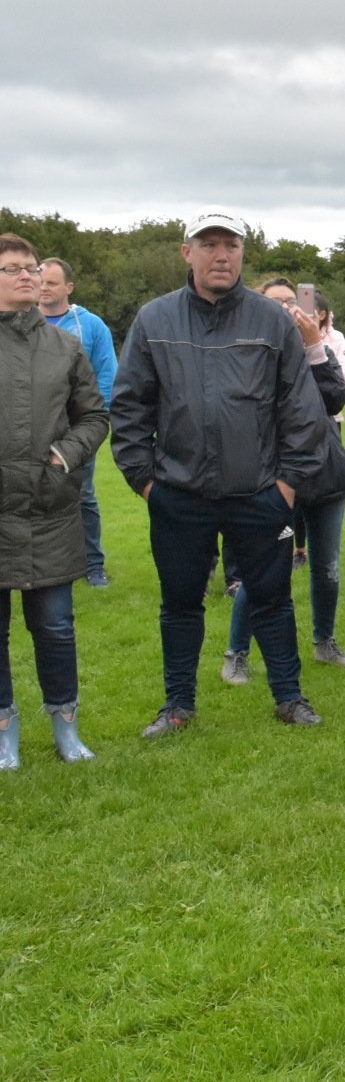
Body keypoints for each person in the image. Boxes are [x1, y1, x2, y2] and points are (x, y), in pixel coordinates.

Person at [111, 209, 331, 735]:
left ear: (242, 253)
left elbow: (300, 409)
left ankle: (289, 697)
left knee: (273, 598)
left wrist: (285, 484)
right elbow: (129, 407)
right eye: (208, 244)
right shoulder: (154, 319)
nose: (221, 255)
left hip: (258, 492)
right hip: (178, 493)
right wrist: (146, 481)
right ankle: (178, 706)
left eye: (230, 245)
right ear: (187, 252)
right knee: (181, 603)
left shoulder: (271, 320)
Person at [0, 232, 110, 767]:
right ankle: (6, 735)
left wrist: (64, 457)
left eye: (32, 267)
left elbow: (94, 416)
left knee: (56, 628)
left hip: (49, 509)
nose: (27, 275)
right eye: (13, 268)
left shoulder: (66, 346)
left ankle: (66, 728)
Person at [224, 277, 345, 677]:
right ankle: (236, 654)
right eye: (275, 303)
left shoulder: (318, 349)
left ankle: (324, 642)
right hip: (271, 473)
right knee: (263, 567)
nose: (286, 309)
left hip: (324, 470)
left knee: (327, 567)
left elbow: (334, 399)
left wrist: (314, 345)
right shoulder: (248, 350)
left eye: (291, 302)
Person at [37, 257, 116, 587]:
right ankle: (38, 567)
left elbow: (108, 374)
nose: (43, 287)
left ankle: (93, 565)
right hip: (31, 428)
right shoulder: (16, 322)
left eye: (51, 283)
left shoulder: (90, 326)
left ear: (68, 287)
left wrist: (93, 422)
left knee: (81, 494)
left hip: (76, 429)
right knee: (27, 497)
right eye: (40, 281)